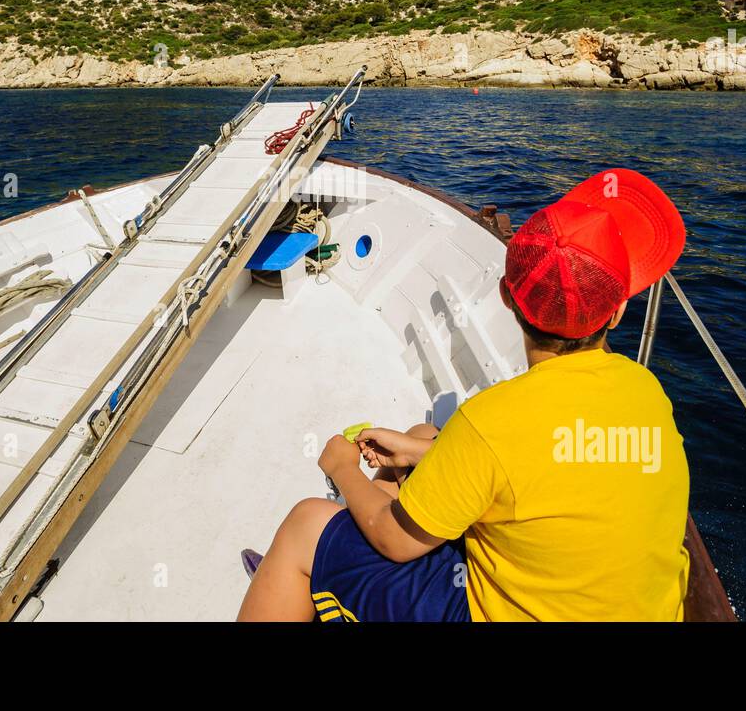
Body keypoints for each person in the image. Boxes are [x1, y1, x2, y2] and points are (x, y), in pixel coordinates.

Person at [237, 168, 692, 622]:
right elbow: (549, 467)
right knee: (421, 434)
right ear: (617, 312)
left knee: (306, 524)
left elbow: (394, 540)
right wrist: (417, 449)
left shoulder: (491, 419)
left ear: (506, 297)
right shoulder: (647, 390)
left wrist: (342, 470)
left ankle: (301, 575)